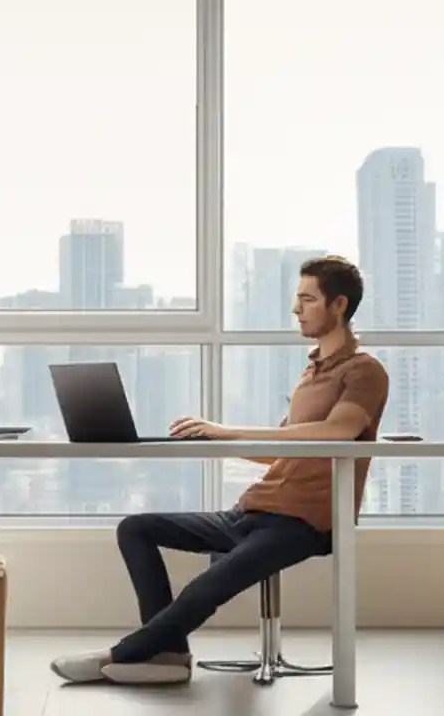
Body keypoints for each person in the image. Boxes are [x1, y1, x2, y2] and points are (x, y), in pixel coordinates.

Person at [50, 254, 390, 686]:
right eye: (296, 300)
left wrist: (227, 429)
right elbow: (280, 453)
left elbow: (338, 431)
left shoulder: (365, 371)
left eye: (307, 300)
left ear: (338, 305)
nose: (295, 310)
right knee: (135, 527)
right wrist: (214, 439)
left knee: (208, 587)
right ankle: (170, 657)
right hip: (253, 510)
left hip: (305, 521)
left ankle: (121, 654)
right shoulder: (311, 372)